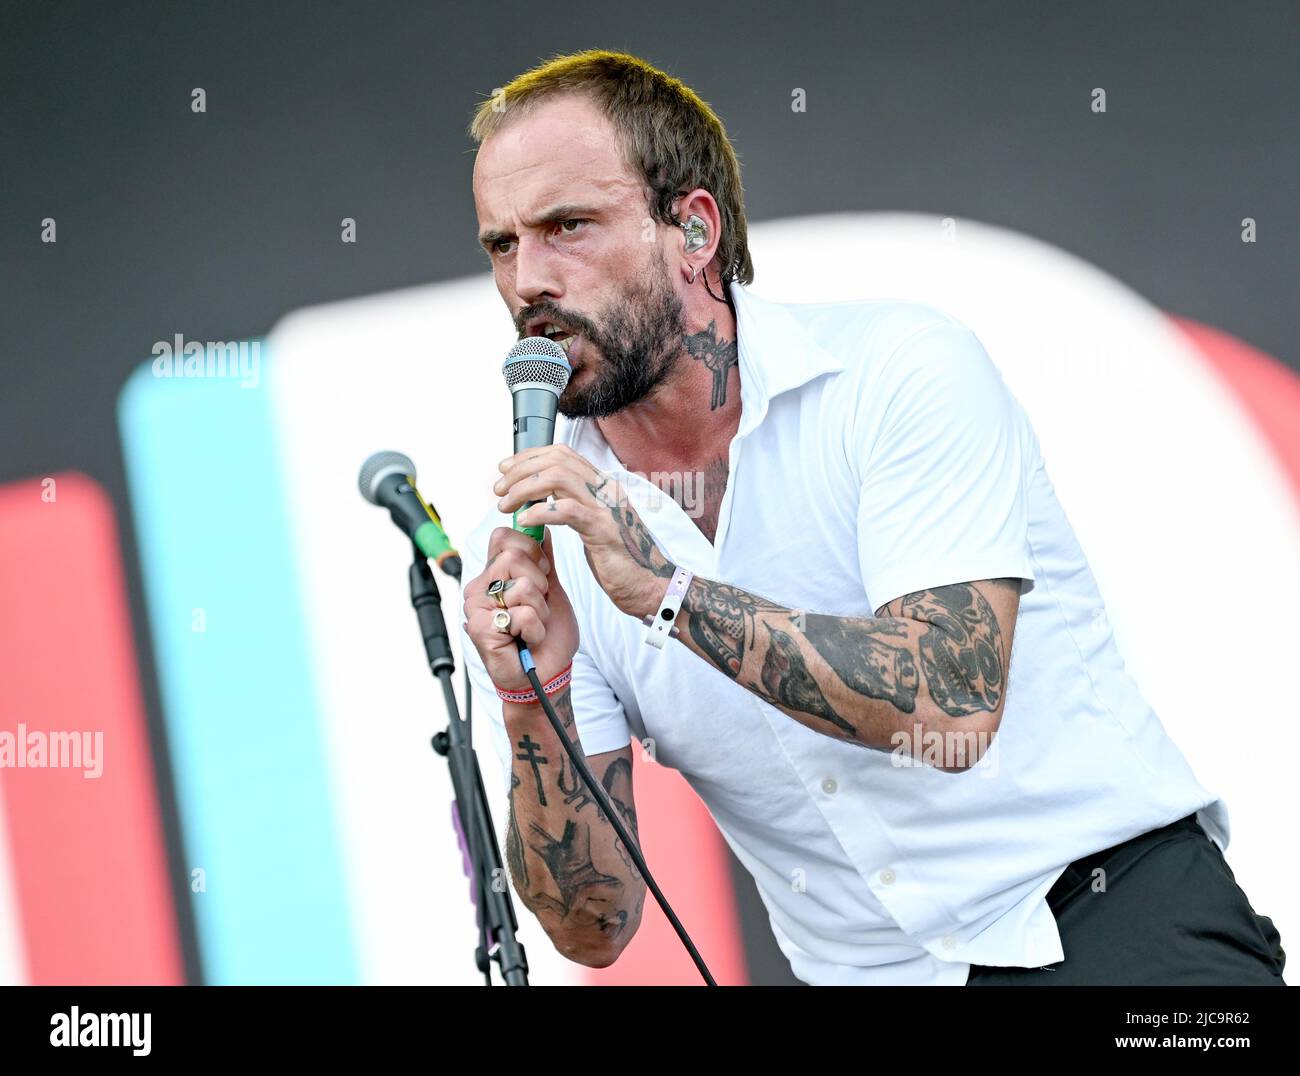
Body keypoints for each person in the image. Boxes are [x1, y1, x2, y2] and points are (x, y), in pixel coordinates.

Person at [457, 50, 1285, 986]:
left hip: (1109, 926)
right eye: (501, 244)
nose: (528, 281)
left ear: (692, 230)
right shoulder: (554, 533)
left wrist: (667, 592)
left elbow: (953, 700)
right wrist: (536, 690)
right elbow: (595, 928)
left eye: (567, 226)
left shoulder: (899, 372)